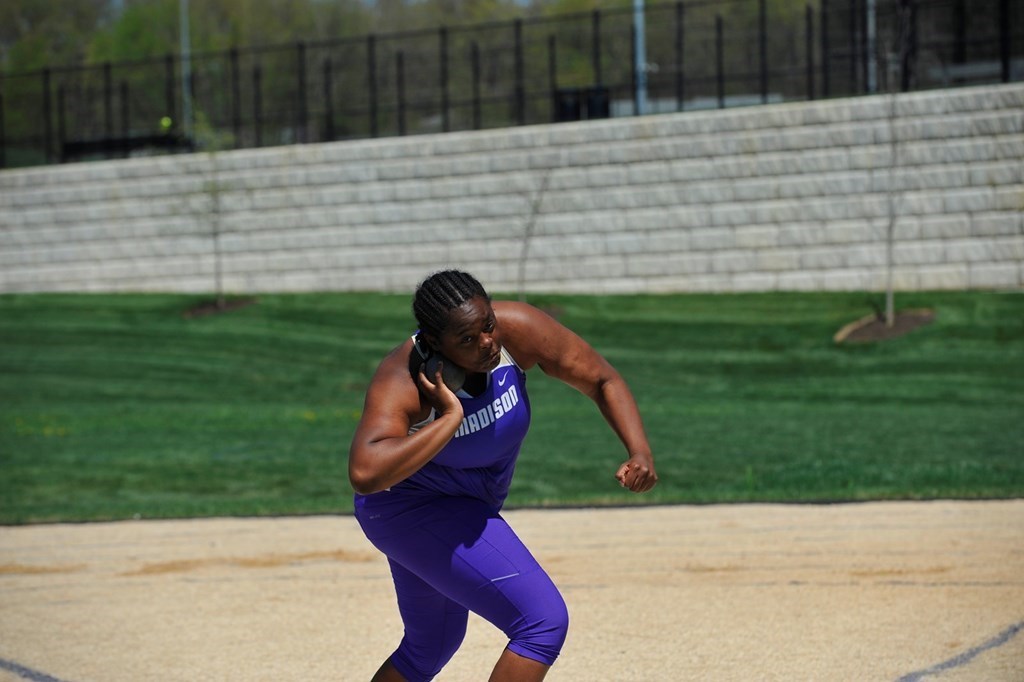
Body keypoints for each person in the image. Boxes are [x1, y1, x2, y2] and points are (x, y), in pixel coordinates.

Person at [348, 269, 658, 682]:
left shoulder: (517, 331)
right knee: (542, 622)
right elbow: (364, 472)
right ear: (434, 342)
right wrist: (449, 417)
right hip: (407, 509)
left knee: (431, 645)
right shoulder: (405, 379)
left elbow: (602, 379)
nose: (487, 343)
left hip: (467, 507)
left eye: (488, 326)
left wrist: (638, 450)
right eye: (467, 340)